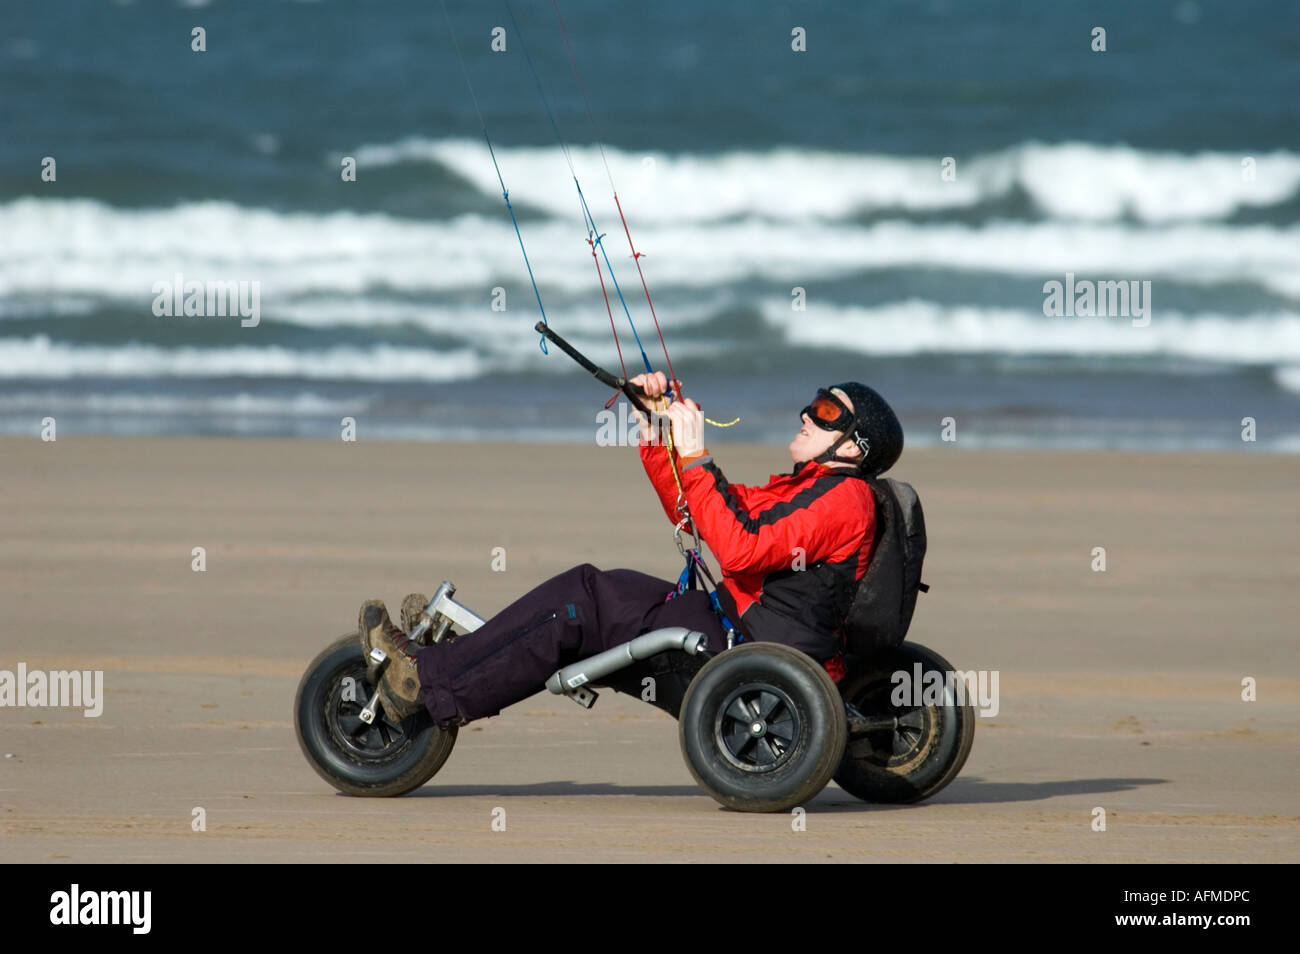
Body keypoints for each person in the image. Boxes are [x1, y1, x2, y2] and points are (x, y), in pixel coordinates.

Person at [358, 375, 904, 727]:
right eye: (812, 404)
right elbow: (698, 513)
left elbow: (739, 550)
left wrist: (695, 455)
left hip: (748, 649)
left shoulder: (846, 498)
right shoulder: (807, 490)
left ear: (854, 448)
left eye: (828, 413)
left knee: (581, 602)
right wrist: (657, 428)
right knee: (597, 595)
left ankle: (430, 681)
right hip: (737, 624)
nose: (808, 415)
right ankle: (457, 667)